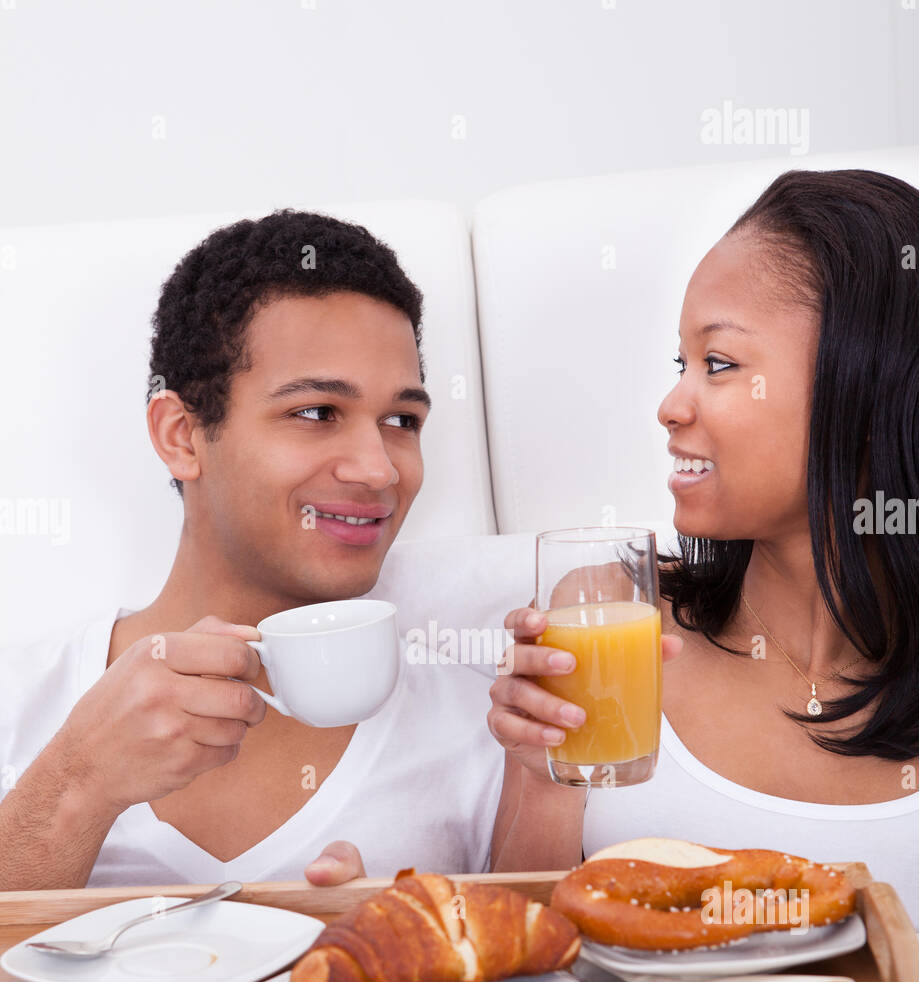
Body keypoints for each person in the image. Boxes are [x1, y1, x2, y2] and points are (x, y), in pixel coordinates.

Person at [0, 210, 506, 890]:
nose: (379, 469)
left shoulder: (480, 732)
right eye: (317, 412)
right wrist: (76, 785)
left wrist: (395, 950)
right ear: (182, 435)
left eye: (400, 421)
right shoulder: (21, 703)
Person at [489, 168, 919, 924]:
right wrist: (537, 772)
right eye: (679, 364)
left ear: (865, 384)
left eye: (718, 364)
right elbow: (524, 956)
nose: (669, 406)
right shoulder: (607, 615)